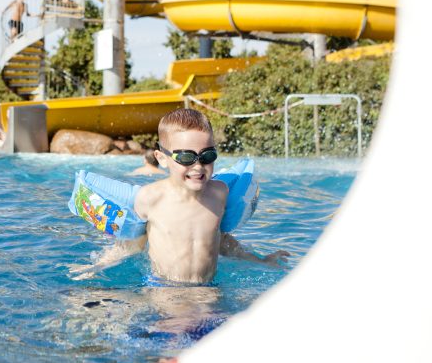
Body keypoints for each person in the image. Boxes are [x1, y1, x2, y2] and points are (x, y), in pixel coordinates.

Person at [70, 108, 289, 284]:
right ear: (162, 158)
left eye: (207, 155)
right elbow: (131, 244)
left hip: (209, 293)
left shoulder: (219, 193)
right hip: (164, 292)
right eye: (186, 157)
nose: (198, 166)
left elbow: (222, 241)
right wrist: (96, 267)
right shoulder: (150, 199)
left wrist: (261, 260)